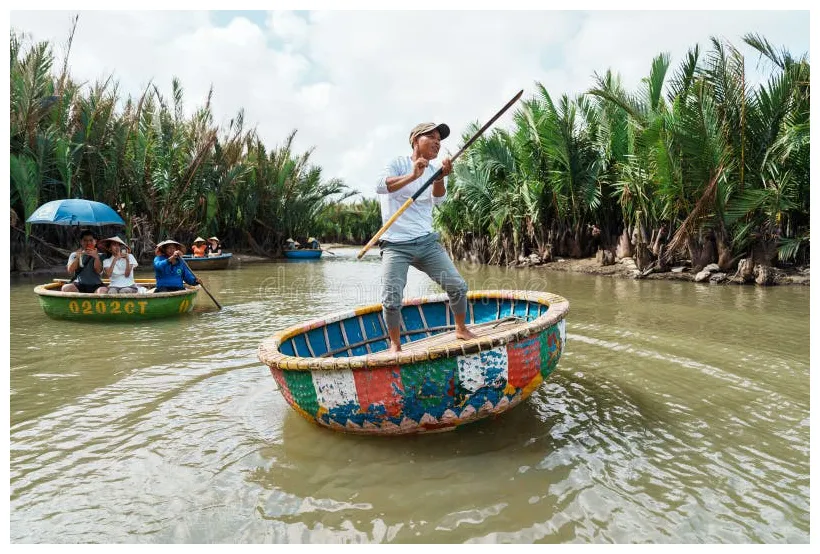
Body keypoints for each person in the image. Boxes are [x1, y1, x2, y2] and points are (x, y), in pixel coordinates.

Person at [375, 122, 476, 353]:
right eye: (431, 136)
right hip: (395, 245)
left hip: (426, 242)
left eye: (439, 139)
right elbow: (381, 186)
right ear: (415, 140)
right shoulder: (398, 163)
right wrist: (412, 175)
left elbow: (439, 199)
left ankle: (460, 329)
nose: (437, 142)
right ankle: (395, 344)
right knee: (391, 300)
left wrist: (440, 177)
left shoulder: (434, 171)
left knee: (458, 287)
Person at [61, 229, 104, 293]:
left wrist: (96, 257)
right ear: (81, 242)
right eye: (85, 240)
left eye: (91, 240)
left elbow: (98, 271)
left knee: (102, 291)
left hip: (96, 285)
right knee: (66, 288)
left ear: (95, 241)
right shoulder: (74, 254)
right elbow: (70, 271)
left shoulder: (101, 256)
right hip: (79, 284)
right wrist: (78, 258)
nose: (88, 243)